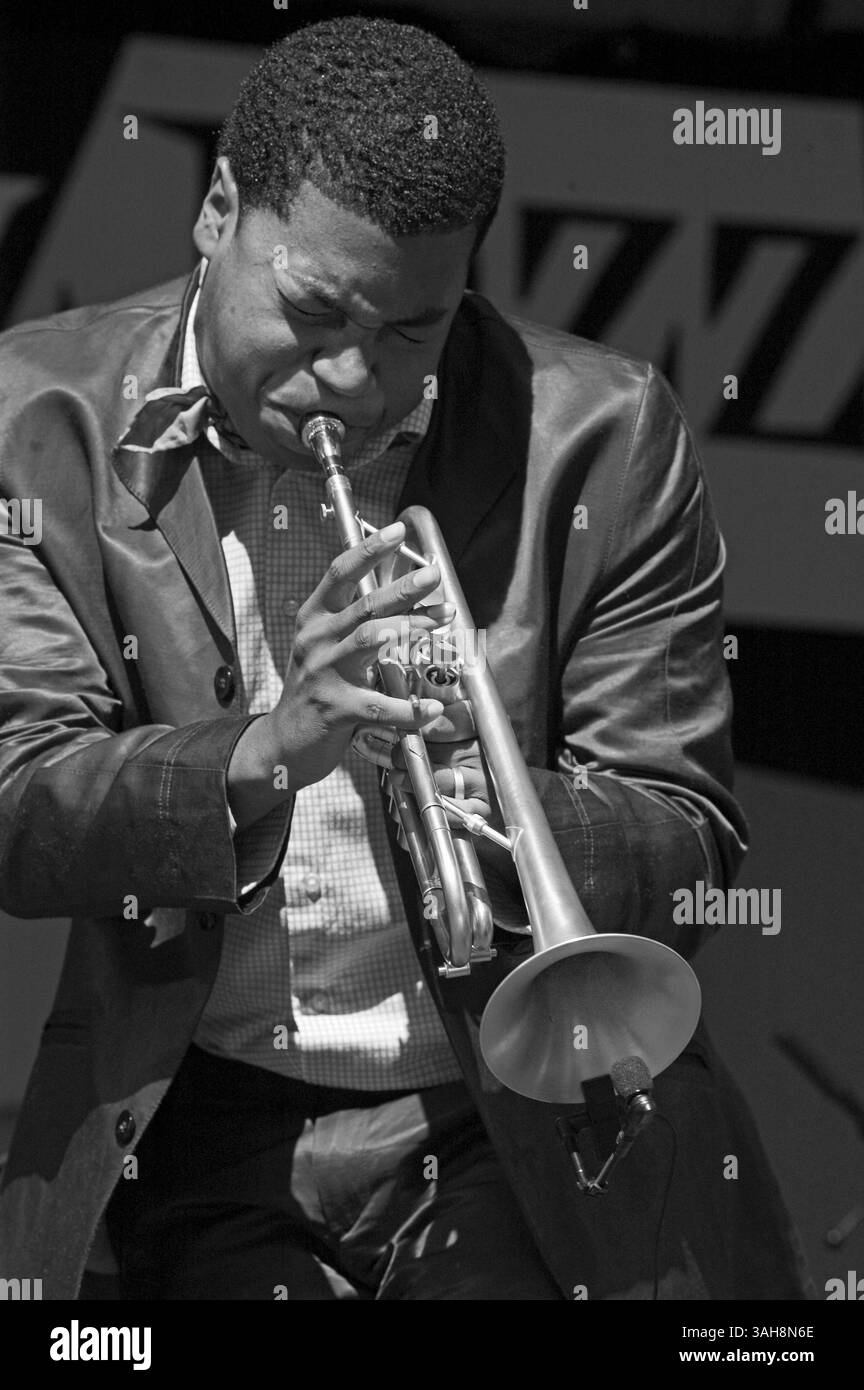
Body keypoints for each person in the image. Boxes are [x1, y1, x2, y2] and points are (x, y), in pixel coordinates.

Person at [0, 16, 810, 1301]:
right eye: (314, 312)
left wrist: (498, 796)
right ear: (218, 213)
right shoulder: (36, 418)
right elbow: (20, 800)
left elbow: (688, 831)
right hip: (200, 1126)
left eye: (411, 333)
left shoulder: (601, 435)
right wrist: (260, 757)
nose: (350, 382)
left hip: (512, 1119)